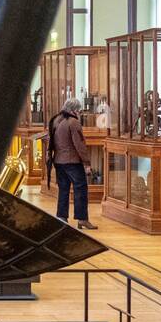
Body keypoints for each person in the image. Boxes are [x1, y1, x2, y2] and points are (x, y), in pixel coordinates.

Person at [48, 97, 97, 229]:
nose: (79, 113)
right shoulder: (73, 122)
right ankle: (82, 219)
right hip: (72, 162)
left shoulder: (56, 120)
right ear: (74, 110)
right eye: (79, 110)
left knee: (63, 190)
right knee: (80, 189)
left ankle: (62, 217)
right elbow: (79, 145)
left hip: (58, 161)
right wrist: (86, 163)